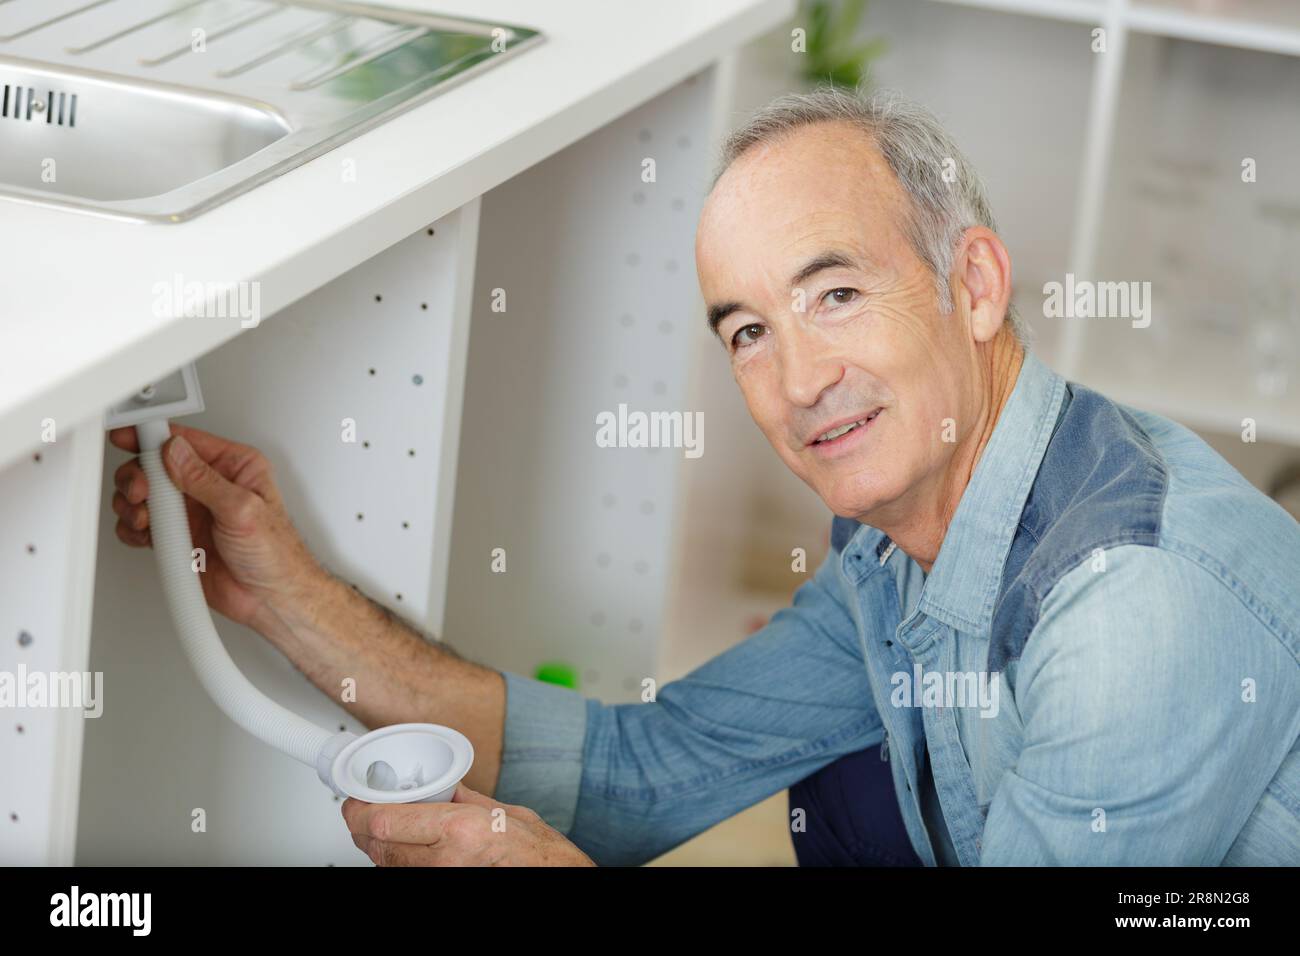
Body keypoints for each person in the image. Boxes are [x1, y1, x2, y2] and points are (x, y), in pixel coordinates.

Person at [109, 87, 1300, 866]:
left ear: (974, 285)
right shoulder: (905, 538)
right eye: (747, 330)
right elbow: (642, 769)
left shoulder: (1129, 613)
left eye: (836, 292)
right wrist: (285, 597)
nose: (798, 379)